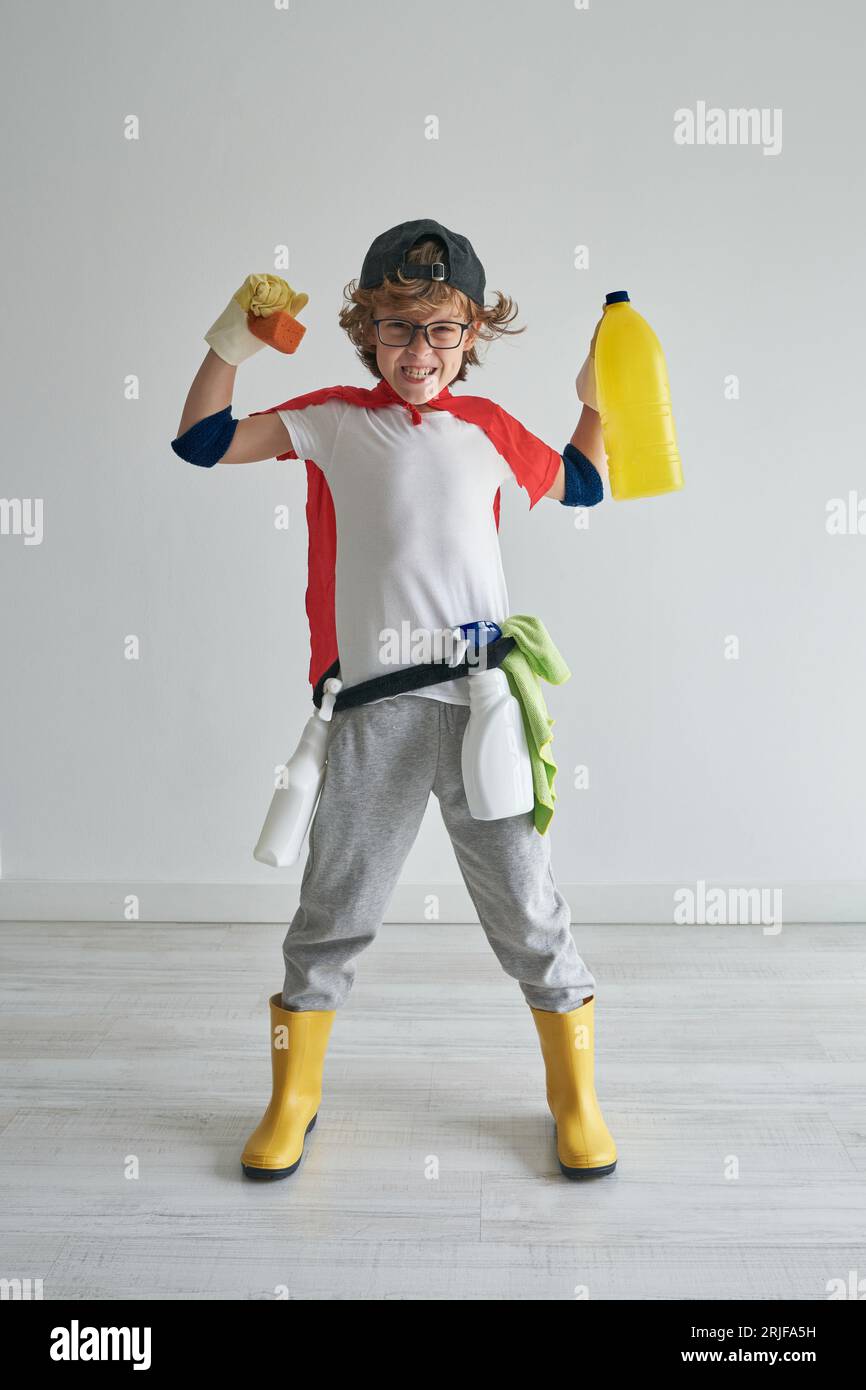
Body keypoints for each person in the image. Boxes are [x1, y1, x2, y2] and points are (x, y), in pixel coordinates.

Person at [172, 219, 617, 1182]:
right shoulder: (334, 420)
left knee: (528, 909)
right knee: (333, 908)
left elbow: (581, 483)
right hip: (374, 711)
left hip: (485, 710)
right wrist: (229, 344)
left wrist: (596, 401)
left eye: (443, 331)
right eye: (398, 327)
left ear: (473, 335)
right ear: (366, 325)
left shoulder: (490, 432)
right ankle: (294, 1099)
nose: (420, 353)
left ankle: (575, 1098)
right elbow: (202, 442)